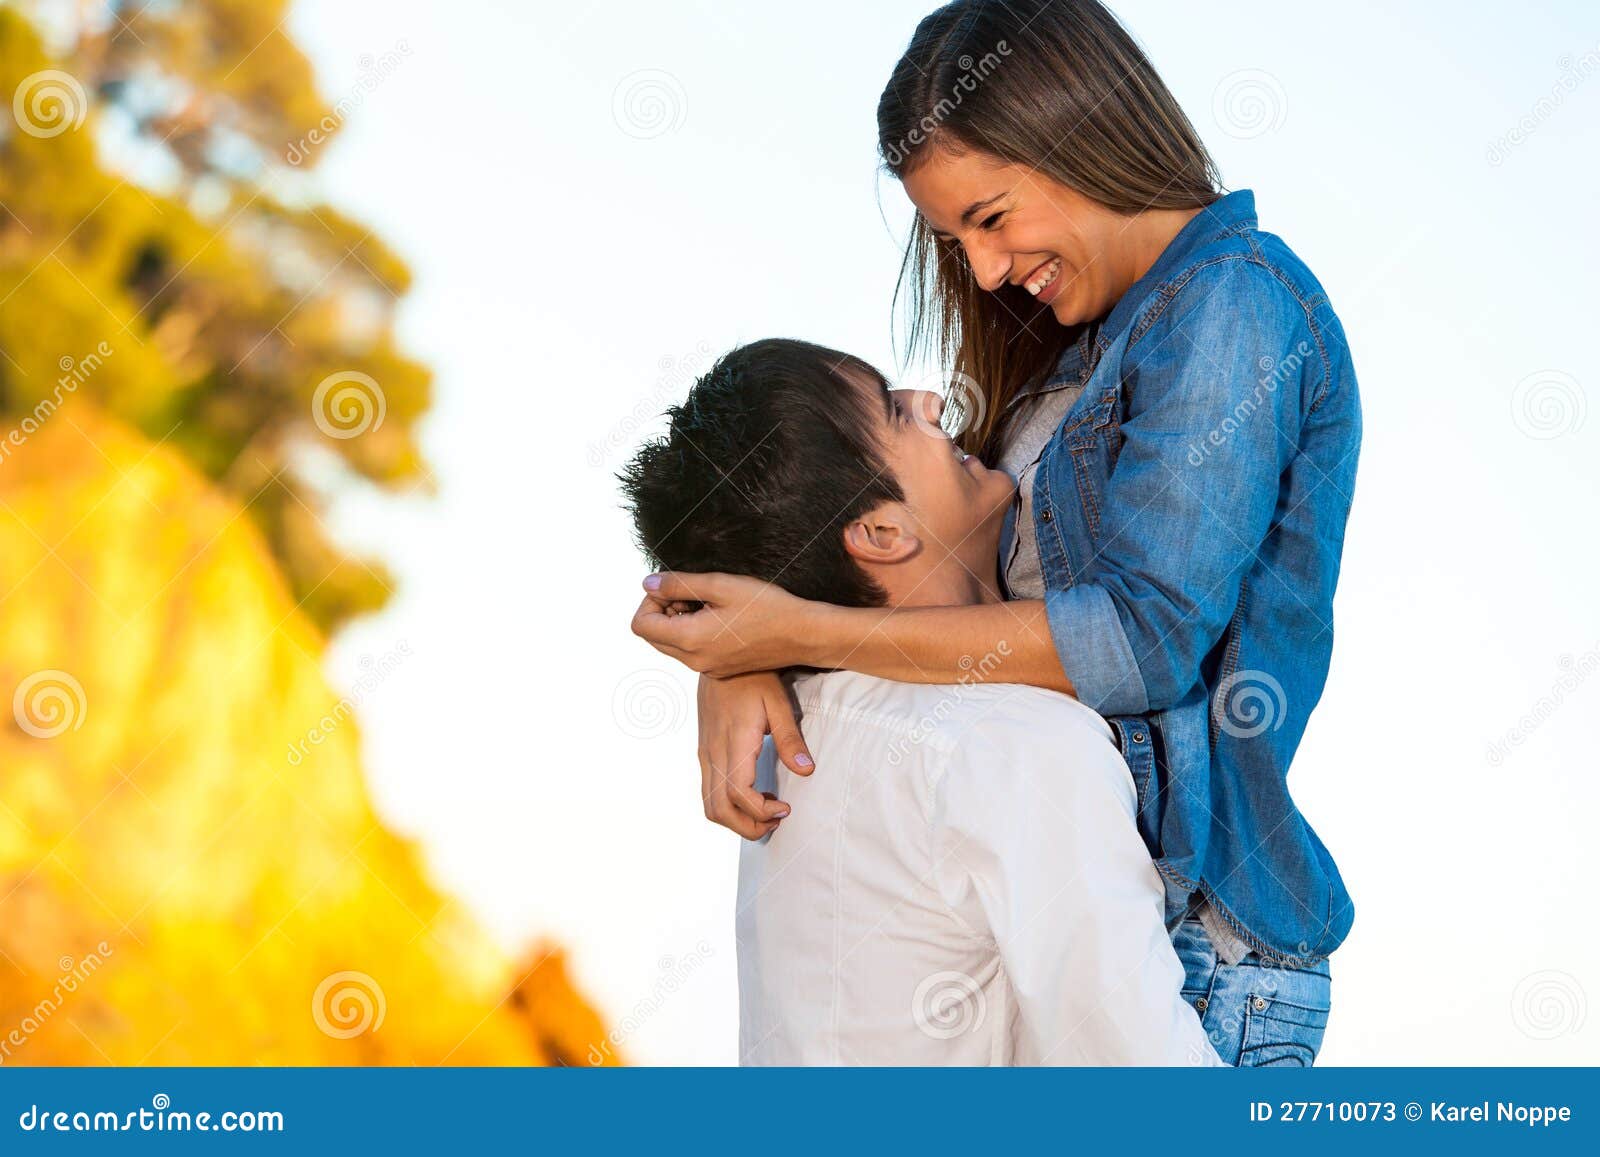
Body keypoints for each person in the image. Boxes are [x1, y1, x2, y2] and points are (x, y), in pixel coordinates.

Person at [631, 0, 1361, 1067]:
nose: (978, 271)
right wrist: (746, 660)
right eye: (952, 238)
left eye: (989, 217)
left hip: (1206, 952)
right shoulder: (1067, 354)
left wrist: (801, 633)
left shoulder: (1233, 307)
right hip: (1071, 912)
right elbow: (828, 527)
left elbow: (1144, 638)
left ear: (1079, 134)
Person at [621, 339, 1220, 1066]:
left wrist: (732, 664)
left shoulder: (790, 731)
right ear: (881, 533)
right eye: (897, 412)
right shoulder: (1018, 747)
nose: (934, 401)